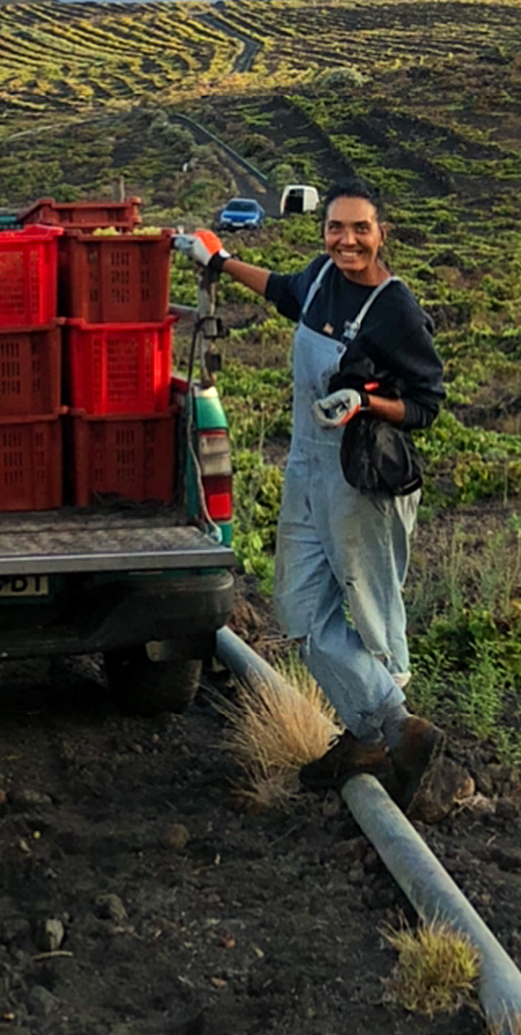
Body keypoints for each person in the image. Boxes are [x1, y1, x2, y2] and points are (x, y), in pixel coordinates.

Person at [173, 179, 448, 806]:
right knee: (298, 610)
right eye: (336, 228)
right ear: (323, 233)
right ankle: (393, 728)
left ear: (382, 235)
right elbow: (280, 289)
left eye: (360, 229)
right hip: (304, 466)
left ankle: (376, 735)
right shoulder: (320, 280)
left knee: (371, 609)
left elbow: (428, 402)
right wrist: (217, 261)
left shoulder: (394, 309)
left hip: (360, 476)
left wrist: (366, 404)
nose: (346, 240)